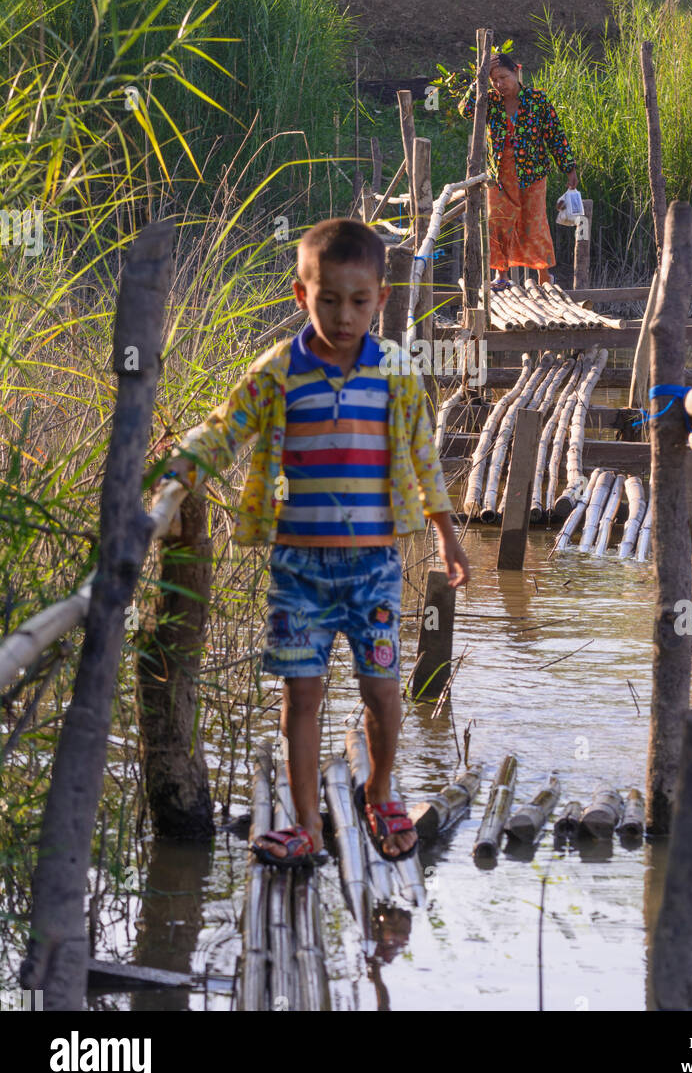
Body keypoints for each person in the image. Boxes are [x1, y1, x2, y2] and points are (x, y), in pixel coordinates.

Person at [158, 218, 470, 865]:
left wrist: (447, 534)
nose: (344, 314)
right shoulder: (279, 372)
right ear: (302, 296)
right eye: (328, 299)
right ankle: (304, 823)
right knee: (301, 693)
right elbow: (224, 428)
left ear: (382, 299)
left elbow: (423, 457)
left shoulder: (396, 373)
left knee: (381, 687)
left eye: (359, 301)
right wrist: (178, 465)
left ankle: (380, 792)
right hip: (298, 568)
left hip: (374, 568)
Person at [460, 52, 579, 288]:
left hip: (532, 176)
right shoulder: (490, 100)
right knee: (498, 223)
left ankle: (544, 277)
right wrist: (477, 82)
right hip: (499, 177)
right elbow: (466, 111)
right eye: (494, 80)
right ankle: (501, 276)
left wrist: (569, 169)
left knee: (534, 224)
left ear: (516, 71)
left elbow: (555, 136)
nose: (499, 84)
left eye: (503, 77)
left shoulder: (537, 100)